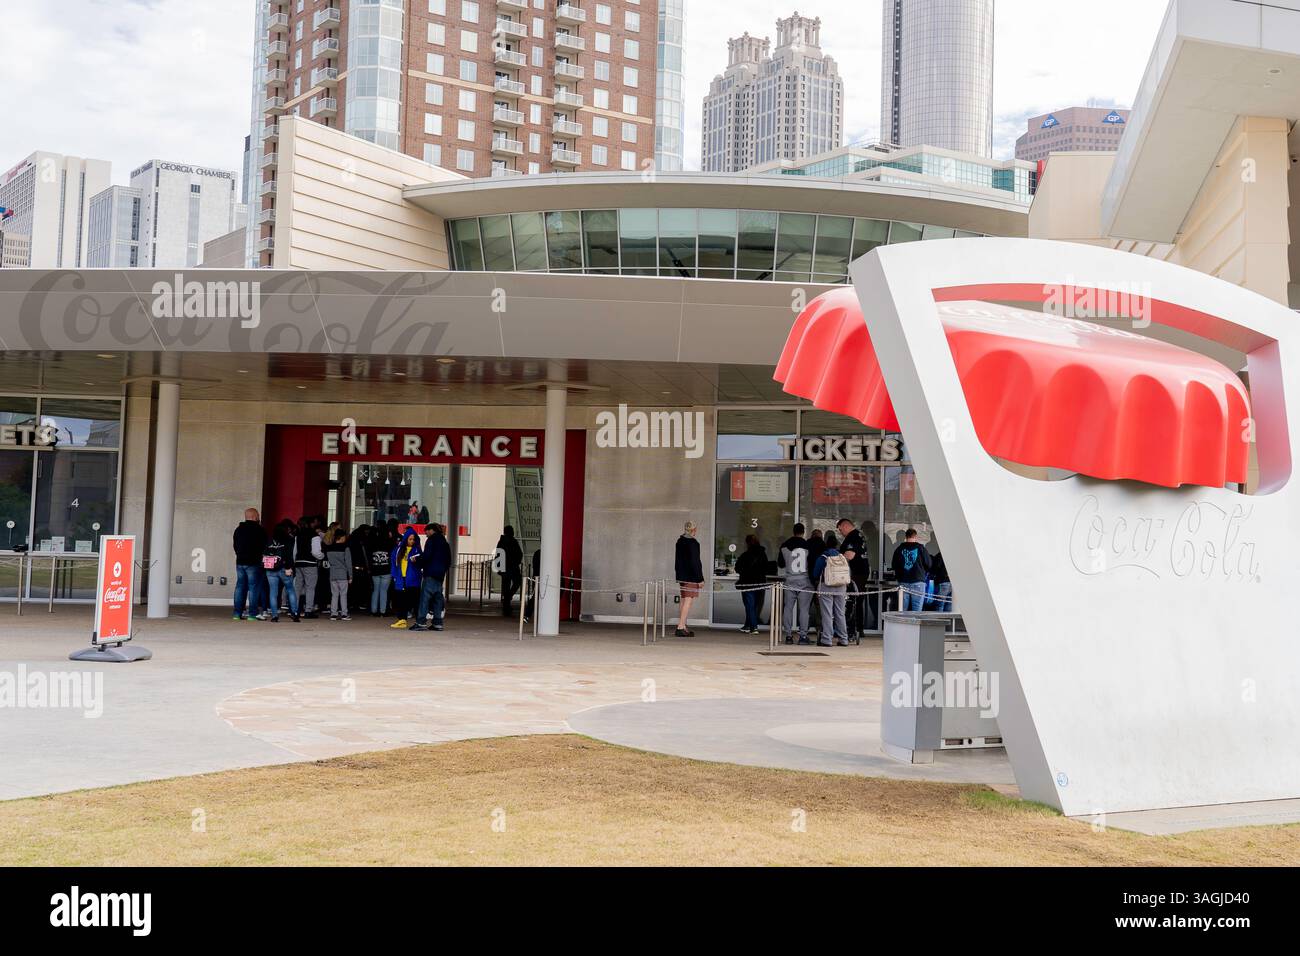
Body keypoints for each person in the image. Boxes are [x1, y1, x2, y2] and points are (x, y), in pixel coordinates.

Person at [409, 524, 451, 632]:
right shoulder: (445, 543)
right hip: (440, 574)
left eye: (426, 531)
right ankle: (437, 623)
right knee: (437, 598)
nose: (425, 534)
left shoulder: (431, 541)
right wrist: (443, 570)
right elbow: (449, 560)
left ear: (432, 530)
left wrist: (417, 560)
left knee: (425, 598)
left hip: (430, 573)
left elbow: (427, 556)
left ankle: (421, 622)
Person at [812, 531, 851, 647]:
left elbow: (815, 573)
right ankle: (844, 639)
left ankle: (827, 639)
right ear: (837, 545)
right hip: (841, 587)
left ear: (826, 544)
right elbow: (848, 573)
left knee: (827, 614)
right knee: (840, 613)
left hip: (826, 586)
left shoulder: (823, 557)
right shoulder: (842, 557)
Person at [837, 517, 871, 642]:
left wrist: (837, 558)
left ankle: (852, 629)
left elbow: (850, 555)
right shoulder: (859, 535)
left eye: (841, 530)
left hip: (856, 573)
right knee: (857, 600)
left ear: (845, 526)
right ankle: (857, 628)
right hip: (860, 572)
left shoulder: (852, 537)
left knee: (852, 601)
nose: (841, 533)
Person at [778, 523, 812, 645]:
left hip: (790, 580)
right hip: (804, 580)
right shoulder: (808, 545)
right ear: (803, 532)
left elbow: (780, 564)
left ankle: (788, 635)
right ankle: (803, 636)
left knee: (788, 608)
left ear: (793, 531)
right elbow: (811, 563)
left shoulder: (784, 545)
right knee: (804, 610)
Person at [232, 508, 268, 622]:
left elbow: (235, 546)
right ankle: (252, 614)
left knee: (240, 587)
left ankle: (237, 613)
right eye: (257, 515)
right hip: (254, 562)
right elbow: (264, 546)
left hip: (240, 562)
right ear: (254, 516)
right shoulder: (260, 530)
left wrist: (240, 554)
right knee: (253, 588)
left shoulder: (238, 529)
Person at [263, 519, 300, 623]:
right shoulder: (289, 540)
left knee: (273, 592)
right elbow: (289, 555)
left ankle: (274, 615)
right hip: (284, 568)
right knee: (290, 590)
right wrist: (289, 568)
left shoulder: (270, 540)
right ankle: (294, 613)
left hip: (270, 569)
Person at [734, 535, 769, 634]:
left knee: (749, 605)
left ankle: (754, 627)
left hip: (748, 583)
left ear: (747, 543)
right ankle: (747, 625)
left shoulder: (745, 555)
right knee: (755, 605)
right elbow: (766, 568)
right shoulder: (763, 554)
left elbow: (737, 568)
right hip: (760, 583)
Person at [891, 528, 932, 613]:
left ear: (906, 537)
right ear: (915, 537)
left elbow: (894, 565)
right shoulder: (921, 549)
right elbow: (929, 564)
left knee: (902, 610)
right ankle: (915, 626)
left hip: (903, 582)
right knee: (917, 611)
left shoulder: (899, 549)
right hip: (918, 582)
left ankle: (903, 626)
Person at [674, 520, 704, 637]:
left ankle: (682, 625)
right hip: (691, 576)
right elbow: (695, 562)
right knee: (688, 600)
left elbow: (678, 561)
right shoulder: (693, 543)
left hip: (682, 576)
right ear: (693, 530)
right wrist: (700, 579)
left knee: (683, 600)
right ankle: (681, 626)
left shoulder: (679, 541)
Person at [389, 527, 422, 629]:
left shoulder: (417, 550)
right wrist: (394, 576)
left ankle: (419, 621)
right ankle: (402, 620)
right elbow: (394, 564)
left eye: (413, 539)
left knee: (414, 601)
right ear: (406, 538)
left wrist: (417, 561)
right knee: (400, 601)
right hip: (401, 579)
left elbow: (421, 564)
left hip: (413, 580)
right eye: (410, 539)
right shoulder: (398, 549)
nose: (412, 541)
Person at [293, 515, 324, 619]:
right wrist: (322, 556)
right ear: (311, 524)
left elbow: (295, 551)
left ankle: (295, 609)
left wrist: (295, 561)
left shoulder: (297, 535)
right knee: (310, 587)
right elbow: (315, 552)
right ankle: (308, 610)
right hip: (310, 563)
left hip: (298, 563)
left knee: (297, 587)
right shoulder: (314, 535)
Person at [324, 530, 353, 621]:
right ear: (342, 537)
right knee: (343, 594)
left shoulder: (329, 548)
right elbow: (348, 563)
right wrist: (350, 575)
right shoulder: (345, 548)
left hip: (332, 574)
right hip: (343, 574)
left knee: (334, 594)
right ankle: (344, 614)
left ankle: (333, 614)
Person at [495, 525, 523, 617]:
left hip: (505, 567)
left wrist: (499, 566)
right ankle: (508, 599)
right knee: (517, 582)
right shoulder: (513, 542)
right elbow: (519, 554)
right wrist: (516, 562)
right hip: (512, 567)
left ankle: (507, 601)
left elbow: (498, 554)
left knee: (506, 586)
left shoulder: (501, 542)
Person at [367, 524, 395, 617]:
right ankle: (383, 611)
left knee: (375, 590)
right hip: (386, 569)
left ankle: (374, 610)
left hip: (375, 569)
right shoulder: (390, 542)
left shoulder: (373, 541)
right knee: (384, 591)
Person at [928, 546, 952, 612]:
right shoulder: (953, 556)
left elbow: (935, 568)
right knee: (949, 605)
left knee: (939, 605)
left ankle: (940, 621)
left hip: (943, 582)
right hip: (952, 583)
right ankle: (949, 621)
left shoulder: (940, 556)